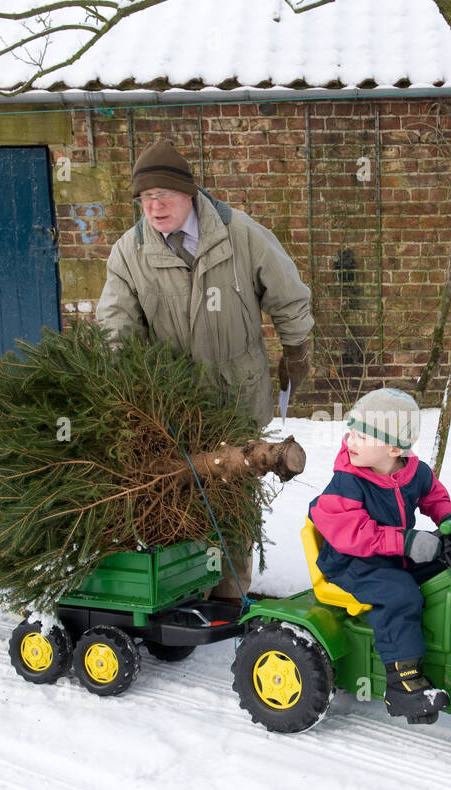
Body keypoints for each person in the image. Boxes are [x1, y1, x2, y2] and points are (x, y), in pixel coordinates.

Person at [95, 139, 314, 603]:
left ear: (189, 194)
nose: (154, 208)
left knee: (233, 491)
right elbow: (116, 323)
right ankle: (185, 586)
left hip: (236, 392)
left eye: (164, 197)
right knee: (178, 488)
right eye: (145, 199)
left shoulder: (241, 234)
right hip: (175, 402)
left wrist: (296, 350)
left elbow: (288, 293)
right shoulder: (128, 253)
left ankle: (231, 594)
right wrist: (119, 380)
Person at [308, 388, 451, 723]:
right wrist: (406, 542)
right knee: (398, 593)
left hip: (391, 553)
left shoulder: (414, 471)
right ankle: (402, 686)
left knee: (448, 562)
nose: (351, 441)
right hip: (350, 562)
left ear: (394, 449)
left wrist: (448, 519)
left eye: (363, 435)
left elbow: (433, 495)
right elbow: (353, 535)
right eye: (351, 431)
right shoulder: (347, 482)